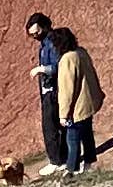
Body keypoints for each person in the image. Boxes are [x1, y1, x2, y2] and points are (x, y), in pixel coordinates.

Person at [52, 27, 103, 176]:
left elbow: (67, 90)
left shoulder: (67, 59)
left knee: (72, 139)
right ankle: (89, 163)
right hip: (88, 104)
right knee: (87, 134)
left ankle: (71, 170)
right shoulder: (81, 52)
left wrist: (63, 114)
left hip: (76, 108)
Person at [25, 11, 62, 172]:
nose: (35, 37)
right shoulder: (45, 43)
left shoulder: (52, 43)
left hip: (53, 89)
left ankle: (56, 161)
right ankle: (62, 158)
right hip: (48, 89)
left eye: (37, 33)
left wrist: (42, 69)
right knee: (55, 124)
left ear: (45, 26)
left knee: (50, 126)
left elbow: (58, 66)